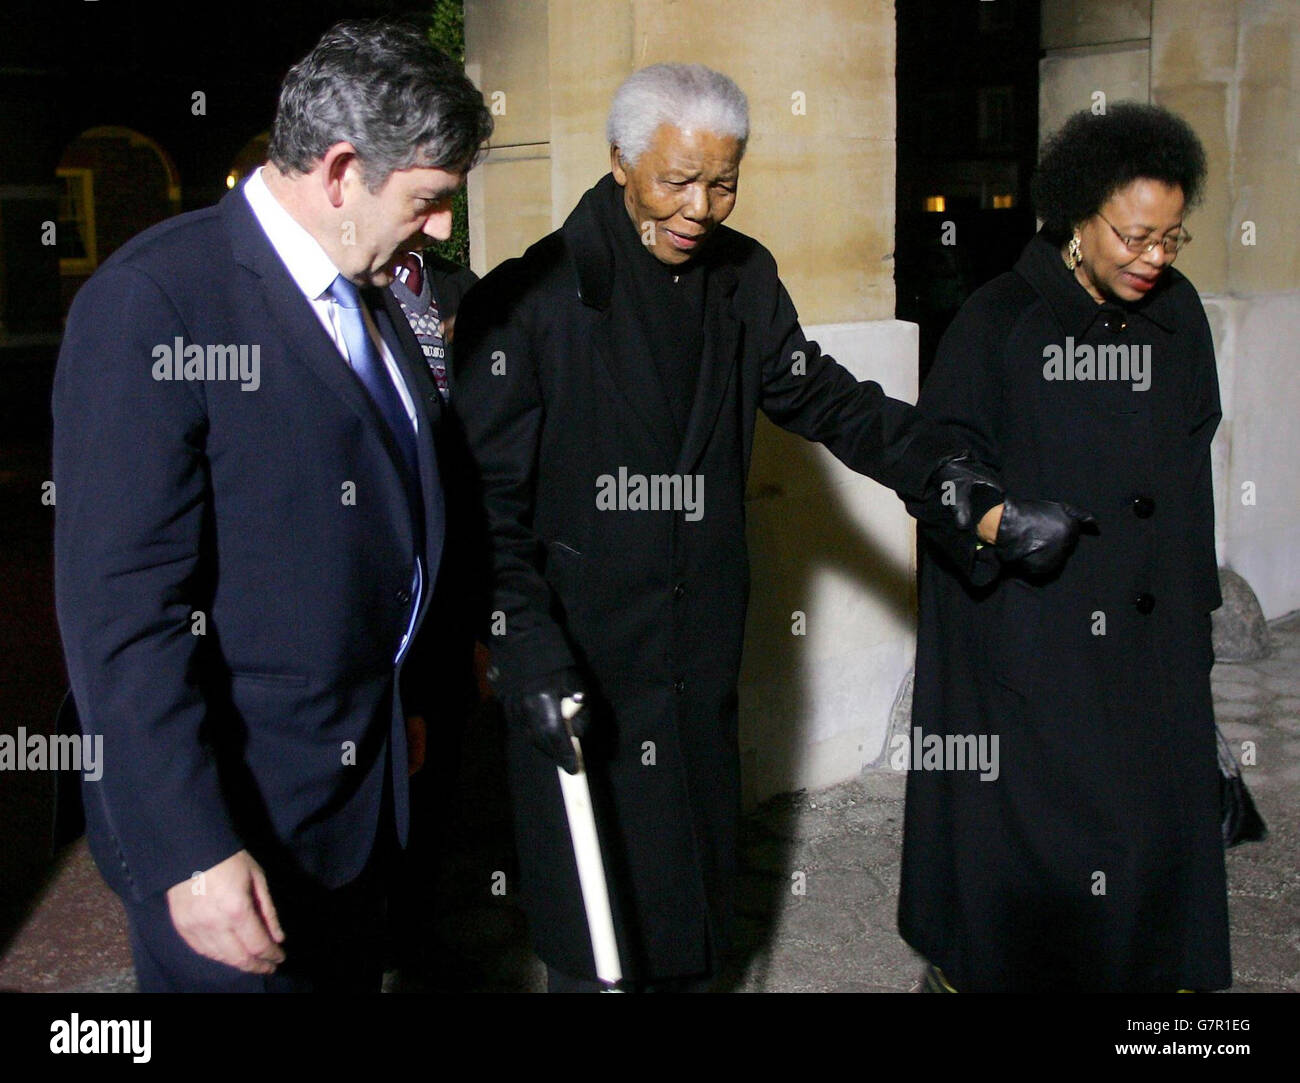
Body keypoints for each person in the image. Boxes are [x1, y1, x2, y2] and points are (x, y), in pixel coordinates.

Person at [452, 63, 1088, 992]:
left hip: (698, 662)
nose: (701, 206)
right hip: (581, 668)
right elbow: (485, 513)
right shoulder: (530, 300)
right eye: (677, 180)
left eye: (724, 181)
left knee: (697, 926)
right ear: (621, 161)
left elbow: (836, 404)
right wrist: (525, 653)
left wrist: (967, 493)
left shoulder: (743, 279)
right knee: (598, 946)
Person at [52, 19, 491, 992]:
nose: (442, 231)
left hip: (361, 784)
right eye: (428, 201)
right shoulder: (155, 303)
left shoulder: (369, 292)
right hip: (234, 829)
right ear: (341, 172)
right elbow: (119, 614)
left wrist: (400, 695)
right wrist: (189, 849)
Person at [897, 102, 1230, 992]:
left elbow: (1191, 470)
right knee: (1044, 868)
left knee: (1149, 859)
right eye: (1133, 237)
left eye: (1170, 238)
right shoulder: (998, 320)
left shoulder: (1182, 314)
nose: (1153, 258)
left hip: (1151, 638)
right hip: (1035, 646)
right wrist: (999, 518)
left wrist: (1195, 621)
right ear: (1079, 216)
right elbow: (938, 469)